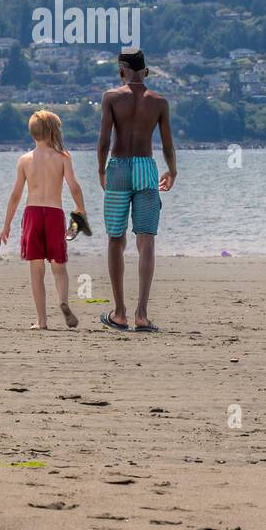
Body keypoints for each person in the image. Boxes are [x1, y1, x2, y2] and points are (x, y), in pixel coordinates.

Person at [97, 48, 176, 332]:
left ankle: (119, 313)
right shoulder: (159, 102)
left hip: (118, 167)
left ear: (121, 72)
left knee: (115, 240)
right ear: (145, 72)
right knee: (146, 242)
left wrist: (101, 169)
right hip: (146, 168)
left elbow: (104, 140)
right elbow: (167, 145)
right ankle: (142, 314)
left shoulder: (111, 98)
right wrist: (172, 169)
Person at [0, 109, 86, 330]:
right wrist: (80, 209)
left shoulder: (25, 160)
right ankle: (63, 302)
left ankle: (42, 321)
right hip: (54, 213)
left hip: (33, 214)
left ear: (32, 134)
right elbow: (74, 186)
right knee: (59, 268)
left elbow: (16, 195)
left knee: (36, 272)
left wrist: (7, 224)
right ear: (53, 131)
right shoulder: (63, 157)